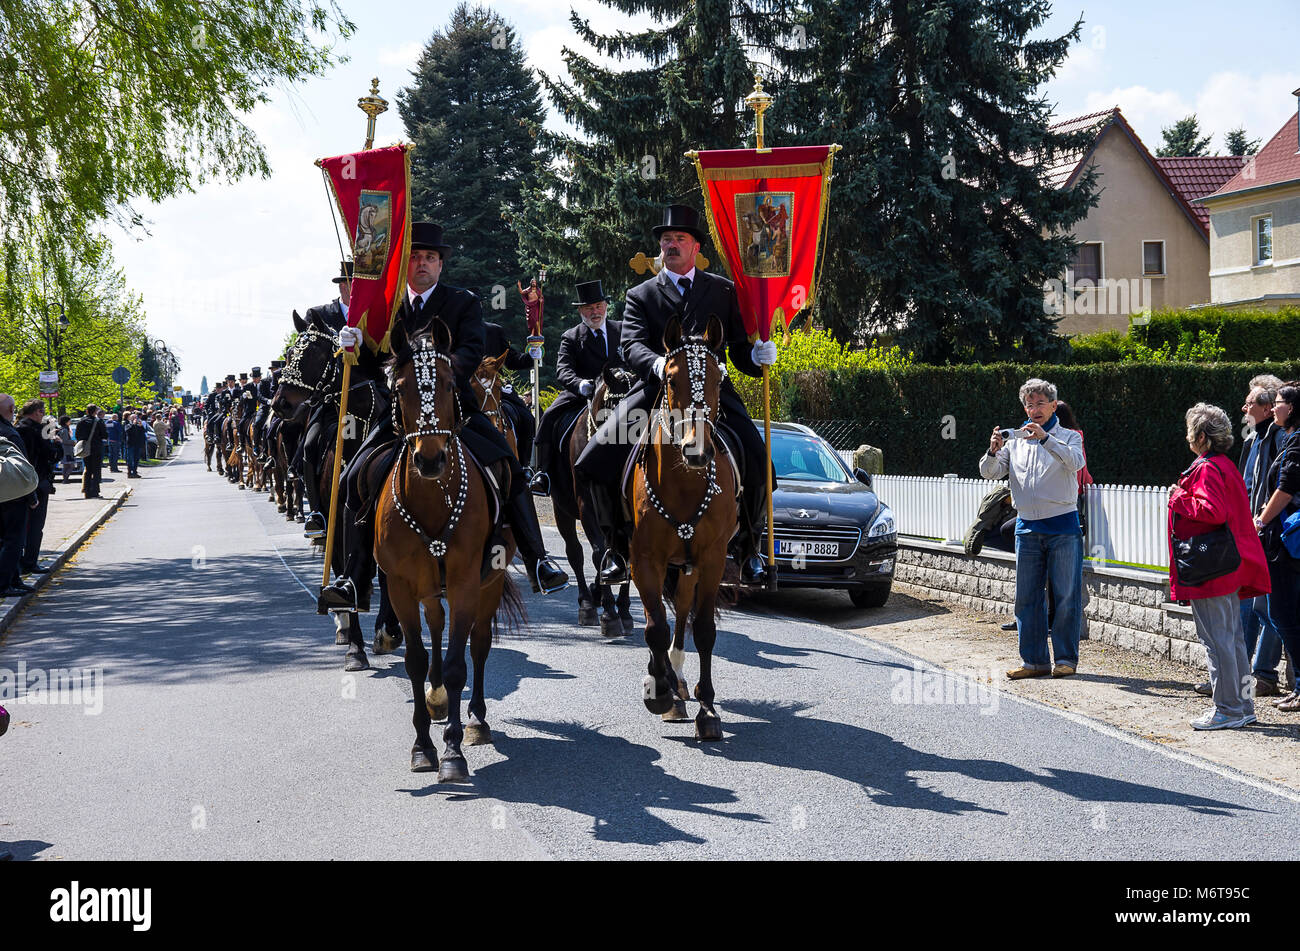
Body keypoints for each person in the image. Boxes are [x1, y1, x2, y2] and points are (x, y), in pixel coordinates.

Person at [319, 221, 568, 612]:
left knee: (509, 466)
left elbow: (471, 349)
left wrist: (436, 368)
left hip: (458, 410)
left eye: (430, 258)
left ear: (440, 265)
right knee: (353, 478)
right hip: (402, 416)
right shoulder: (387, 307)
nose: (422, 264)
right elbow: (371, 361)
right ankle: (355, 577)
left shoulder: (462, 302)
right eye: (415, 257)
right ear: (406, 264)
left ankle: (538, 560)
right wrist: (352, 345)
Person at [574, 204, 776, 585]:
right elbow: (631, 345)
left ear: (696, 247)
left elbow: (735, 346)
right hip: (656, 393)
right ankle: (616, 549)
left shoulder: (722, 290)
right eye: (666, 240)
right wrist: (655, 365)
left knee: (761, 458)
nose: (671, 245)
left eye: (679, 239)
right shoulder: (641, 294)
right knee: (592, 458)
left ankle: (749, 550)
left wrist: (757, 356)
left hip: (713, 394)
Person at [1170, 403, 1270, 729]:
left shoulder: (1207, 467)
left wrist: (1177, 497)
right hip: (1227, 565)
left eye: (1189, 431)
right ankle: (1242, 707)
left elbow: (1211, 511)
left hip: (1210, 568)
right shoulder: (1224, 464)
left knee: (1217, 640)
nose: (1187, 436)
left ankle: (1227, 709)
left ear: (1200, 436)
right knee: (1232, 639)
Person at [981, 378, 1086, 679]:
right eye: (1029, 403)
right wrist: (992, 450)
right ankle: (1034, 661)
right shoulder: (1014, 441)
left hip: (1063, 526)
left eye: (1040, 403)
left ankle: (1065, 659)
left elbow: (1076, 462)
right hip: (1026, 526)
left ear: (1054, 405)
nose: (1034, 409)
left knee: (1066, 595)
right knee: (1027, 597)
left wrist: (1045, 439)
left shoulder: (1069, 436)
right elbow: (989, 472)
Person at [530, 279, 621, 496]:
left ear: (606, 306)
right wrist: (580, 384)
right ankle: (543, 473)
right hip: (583, 394)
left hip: (619, 392)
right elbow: (563, 371)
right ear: (581, 310)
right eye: (589, 308)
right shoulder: (570, 337)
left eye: (598, 306)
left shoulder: (622, 330)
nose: (595, 312)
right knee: (550, 416)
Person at [1233, 375, 1289, 698]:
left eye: (1251, 402)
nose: (1245, 407)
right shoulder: (1252, 439)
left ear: (1268, 408)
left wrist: (1264, 520)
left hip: (1270, 531)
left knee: (1266, 606)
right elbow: (1247, 485)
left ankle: (1263, 674)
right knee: (1247, 604)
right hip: (1250, 531)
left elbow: (1283, 485)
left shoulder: (1280, 438)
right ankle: (1240, 675)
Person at [1253, 381, 1300, 712]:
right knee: (1288, 614)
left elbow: (1285, 489)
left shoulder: (1296, 442)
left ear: (1292, 408)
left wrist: (1261, 520)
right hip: (1286, 542)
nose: (1274, 407)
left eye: (1279, 402)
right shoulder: (1289, 439)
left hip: (1286, 545)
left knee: (1282, 614)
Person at [15, 400, 59, 577]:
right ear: (35, 412)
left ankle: (19, 563)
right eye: (41, 412)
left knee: (18, 527)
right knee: (35, 526)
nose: (42, 415)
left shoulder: (16, 428)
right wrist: (54, 441)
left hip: (18, 483)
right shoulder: (36, 431)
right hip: (37, 481)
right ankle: (30, 562)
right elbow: (53, 455)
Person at [0, 395, 34, 596]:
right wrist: (32, 497)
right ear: (11, 409)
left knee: (5, 540)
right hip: (14, 495)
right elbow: (23, 467)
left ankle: (14, 579)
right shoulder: (9, 434)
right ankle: (5, 584)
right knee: (14, 540)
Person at [75, 405, 106, 499]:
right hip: (96, 447)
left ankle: (87, 491)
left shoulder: (81, 422)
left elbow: (77, 435)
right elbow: (104, 435)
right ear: (95, 411)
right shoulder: (99, 422)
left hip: (85, 448)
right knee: (96, 470)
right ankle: (95, 491)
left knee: (88, 469)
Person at [56, 415, 75, 483]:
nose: (70, 422)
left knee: (66, 466)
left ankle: (65, 479)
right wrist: (73, 442)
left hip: (64, 450)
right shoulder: (65, 430)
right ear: (66, 422)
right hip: (67, 451)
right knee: (71, 466)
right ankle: (65, 479)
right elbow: (65, 441)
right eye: (69, 421)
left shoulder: (61, 429)